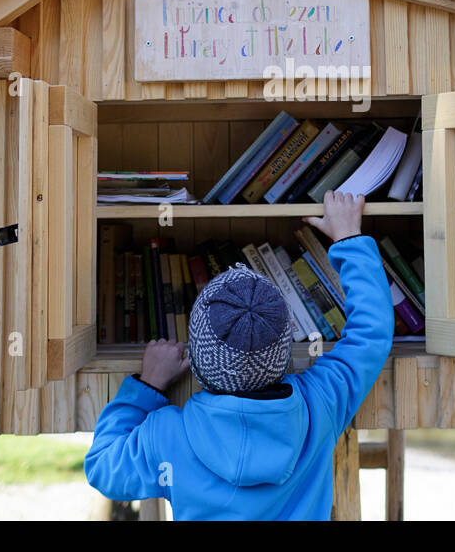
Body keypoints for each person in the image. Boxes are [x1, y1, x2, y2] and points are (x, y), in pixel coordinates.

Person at [83, 191, 393, 520]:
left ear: (198, 361)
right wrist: (348, 238)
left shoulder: (168, 436)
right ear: (284, 350)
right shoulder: (321, 404)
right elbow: (371, 336)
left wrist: (148, 386)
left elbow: (103, 467)